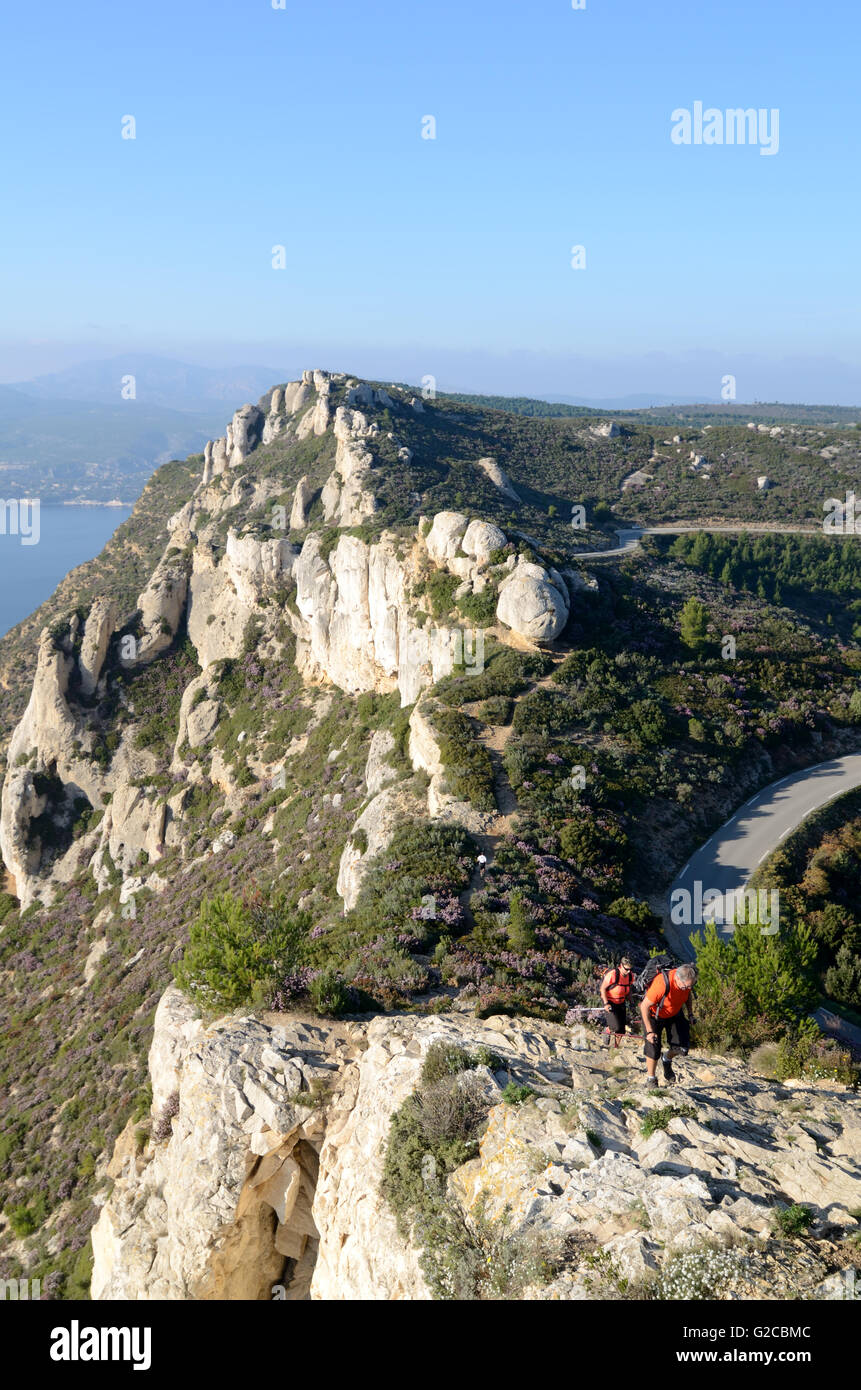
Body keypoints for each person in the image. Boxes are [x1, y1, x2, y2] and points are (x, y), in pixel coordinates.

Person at [639, 962, 697, 1088]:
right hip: (654, 1014)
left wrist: (691, 1014)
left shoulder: (686, 985)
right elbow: (644, 1006)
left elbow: (688, 996)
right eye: (685, 986)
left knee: (682, 1048)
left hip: (674, 1013)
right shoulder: (661, 984)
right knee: (653, 1047)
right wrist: (649, 1031)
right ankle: (651, 1079)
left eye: (690, 986)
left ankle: (666, 1059)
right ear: (677, 979)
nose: (688, 989)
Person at [599, 956, 634, 1048]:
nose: (628, 971)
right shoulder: (613, 974)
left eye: (630, 969)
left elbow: (629, 990)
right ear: (621, 966)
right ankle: (607, 1030)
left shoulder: (630, 976)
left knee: (621, 1030)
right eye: (626, 969)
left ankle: (616, 1047)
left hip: (621, 1002)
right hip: (610, 1002)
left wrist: (632, 1003)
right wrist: (606, 1003)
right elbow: (602, 989)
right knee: (615, 1027)